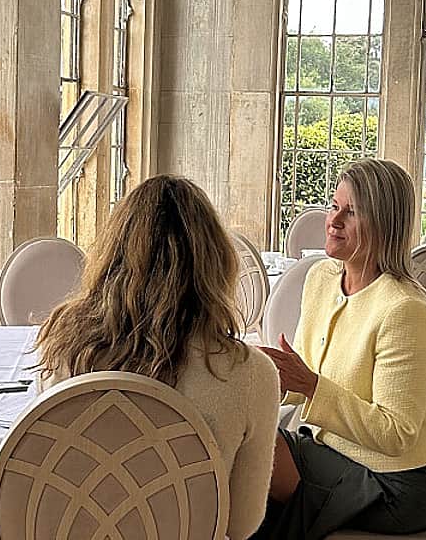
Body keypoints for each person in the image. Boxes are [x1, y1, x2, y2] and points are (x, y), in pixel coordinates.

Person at [35, 174, 281, 540]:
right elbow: (240, 523)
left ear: (110, 256)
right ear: (216, 262)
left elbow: (45, 487)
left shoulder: (67, 345)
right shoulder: (250, 374)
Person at [254, 159, 426, 538]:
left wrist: (309, 385)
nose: (334, 220)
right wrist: (265, 375)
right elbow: (307, 379)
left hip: (398, 484)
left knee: (257, 463)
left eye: (352, 212)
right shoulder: (322, 278)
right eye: (334, 206)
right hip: (333, 452)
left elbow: (397, 434)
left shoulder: (405, 310)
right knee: (246, 450)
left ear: (384, 224)